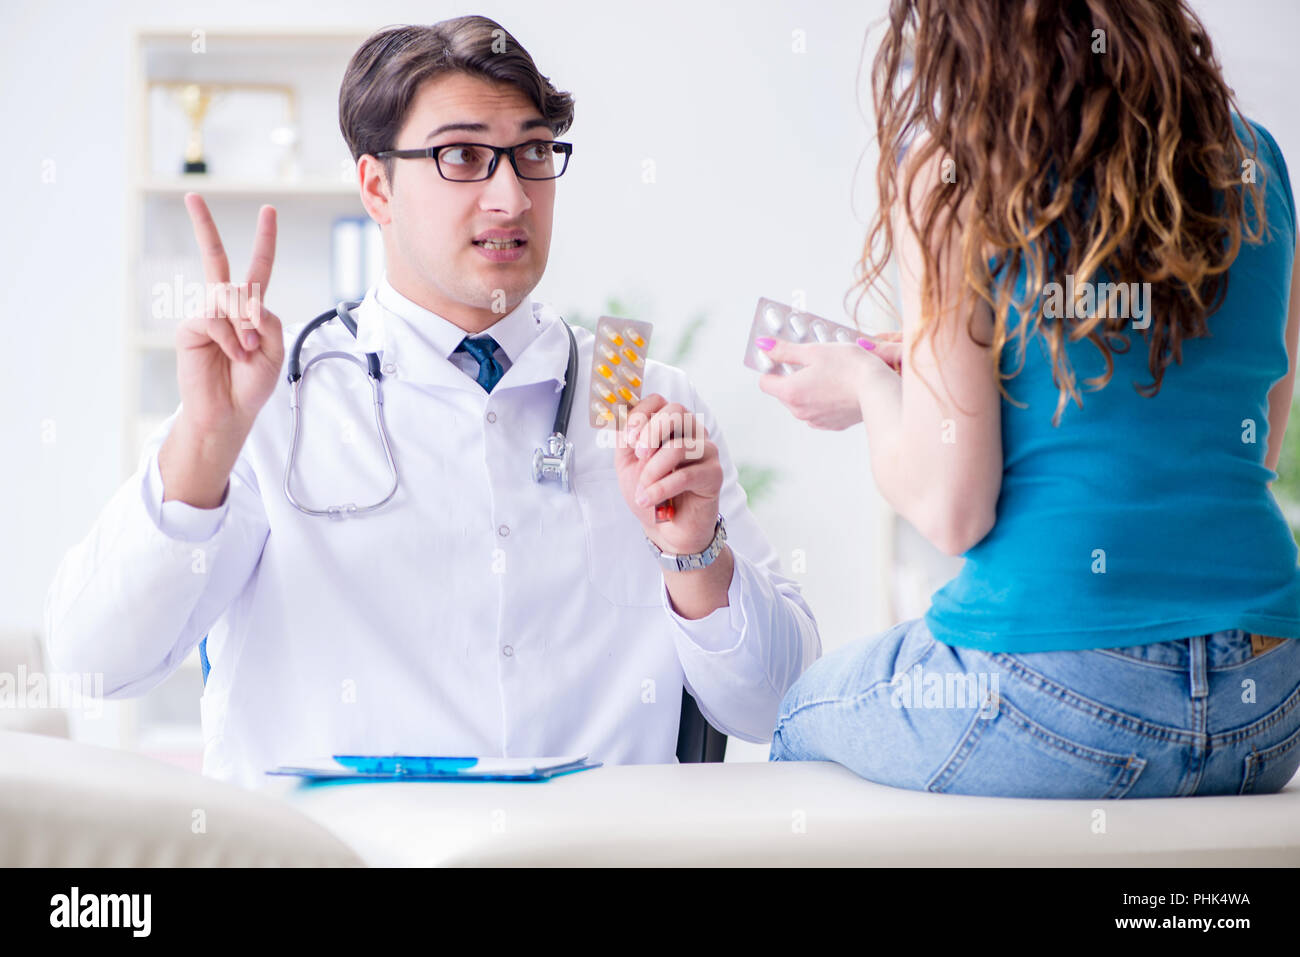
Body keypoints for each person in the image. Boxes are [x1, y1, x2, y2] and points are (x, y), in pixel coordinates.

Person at [45, 16, 819, 789]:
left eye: (535, 152)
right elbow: (92, 666)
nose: (511, 196)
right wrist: (203, 451)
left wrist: (697, 558)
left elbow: (778, 705)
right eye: (464, 156)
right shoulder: (277, 399)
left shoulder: (643, 394)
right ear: (377, 187)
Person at [759, 0, 1300, 798]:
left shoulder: (954, 178)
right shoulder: (1258, 163)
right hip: (1271, 699)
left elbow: (953, 511)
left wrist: (869, 384)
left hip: (1063, 697)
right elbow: (1242, 439)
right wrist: (973, 366)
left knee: (800, 714)